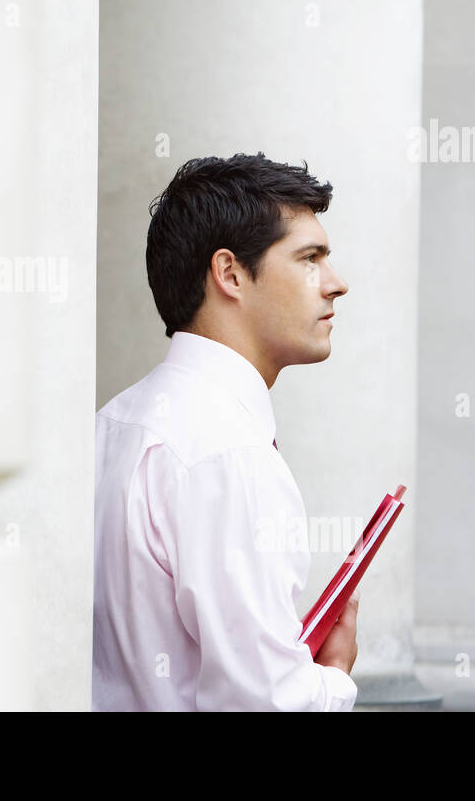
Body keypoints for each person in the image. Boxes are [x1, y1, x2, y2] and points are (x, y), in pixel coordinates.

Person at [93, 152, 357, 711]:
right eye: (310, 259)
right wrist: (334, 676)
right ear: (230, 273)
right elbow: (265, 702)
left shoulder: (111, 426)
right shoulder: (228, 453)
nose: (336, 285)